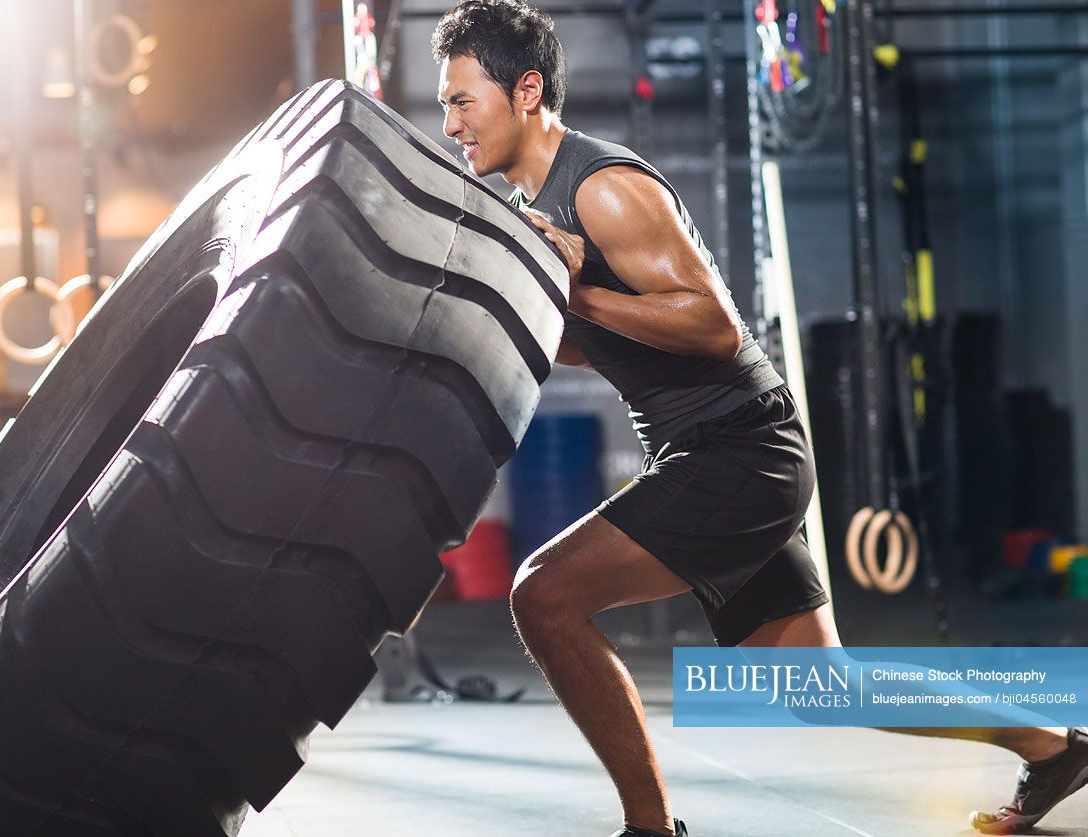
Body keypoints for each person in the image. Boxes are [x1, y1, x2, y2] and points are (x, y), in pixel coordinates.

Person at [430, 2, 1088, 835]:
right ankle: (1053, 746)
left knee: (543, 597)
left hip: (738, 450)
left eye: (461, 100)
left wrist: (578, 288)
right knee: (824, 690)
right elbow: (603, 346)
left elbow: (711, 324)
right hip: (717, 449)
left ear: (526, 91)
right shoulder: (539, 208)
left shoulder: (602, 189)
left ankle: (647, 825)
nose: (450, 122)